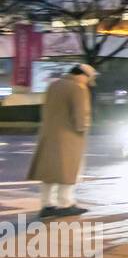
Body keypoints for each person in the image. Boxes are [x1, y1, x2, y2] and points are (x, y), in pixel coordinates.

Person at [29, 64, 96, 218]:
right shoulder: (78, 88)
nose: (88, 82)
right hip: (69, 136)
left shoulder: (54, 85)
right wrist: (83, 128)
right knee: (68, 170)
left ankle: (47, 205)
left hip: (48, 134)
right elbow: (81, 114)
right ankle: (66, 204)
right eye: (88, 79)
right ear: (82, 75)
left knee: (49, 172)